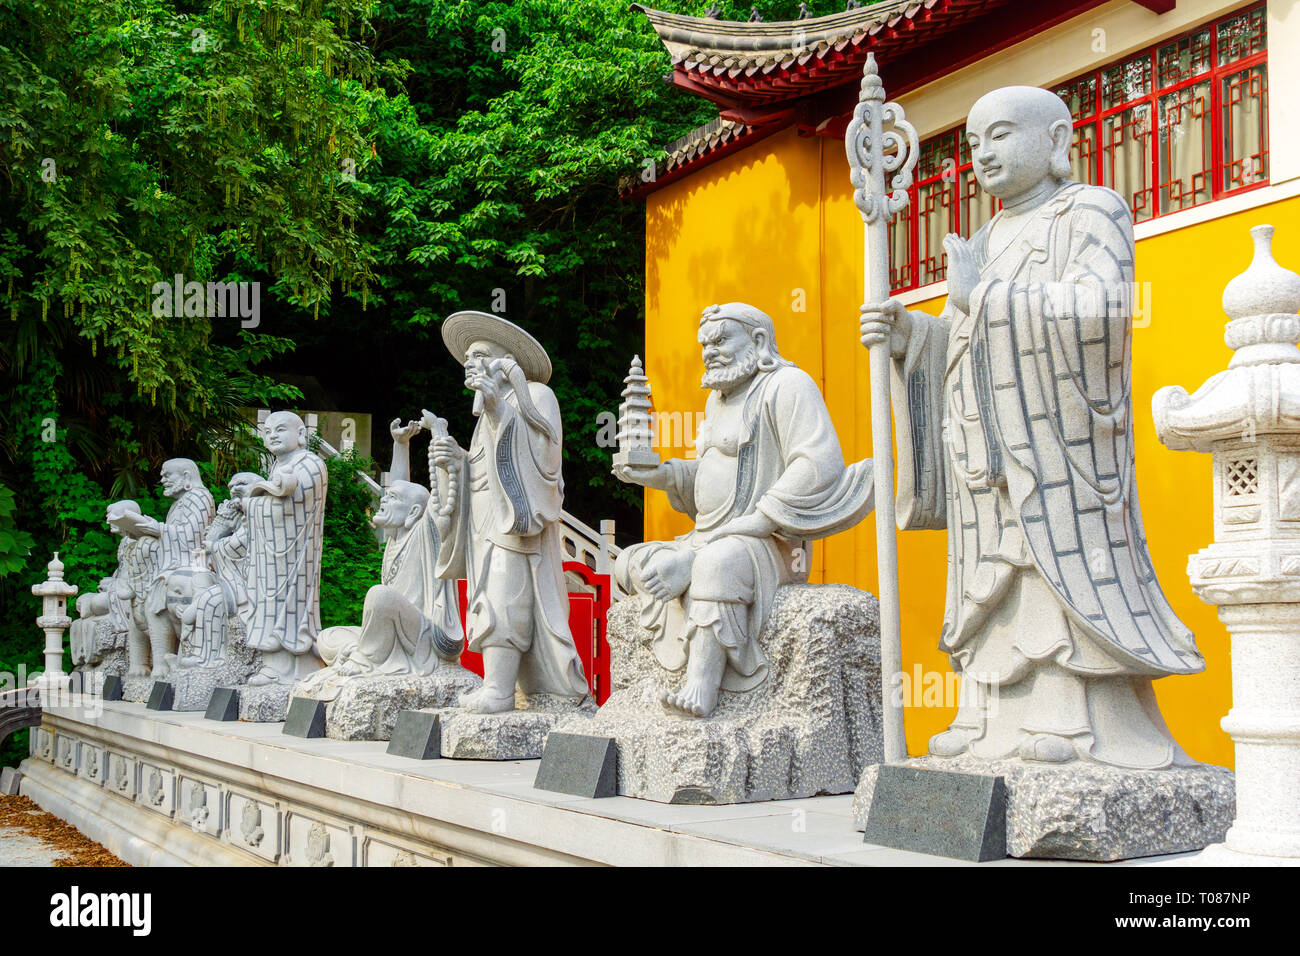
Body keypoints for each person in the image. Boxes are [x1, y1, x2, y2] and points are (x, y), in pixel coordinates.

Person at [859, 86, 1202, 768]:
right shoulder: (984, 239)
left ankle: (1067, 717)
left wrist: (979, 296)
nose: (983, 152)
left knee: (1046, 568)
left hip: (1053, 449)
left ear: (1058, 140)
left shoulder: (1091, 212)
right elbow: (964, 337)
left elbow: (1102, 310)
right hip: (983, 450)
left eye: (1002, 134)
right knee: (987, 577)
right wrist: (912, 340)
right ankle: (985, 719)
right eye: (974, 141)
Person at [614, 302, 874, 717]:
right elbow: (710, 473)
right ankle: (670, 663)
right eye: (704, 344)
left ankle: (701, 686)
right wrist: (661, 476)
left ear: (757, 340)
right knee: (629, 562)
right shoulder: (717, 402)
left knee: (715, 563)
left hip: (766, 542)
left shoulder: (788, 385)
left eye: (719, 341)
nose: (709, 352)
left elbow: (817, 464)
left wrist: (760, 518)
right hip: (709, 534)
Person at [430, 311, 590, 714]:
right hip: (485, 520)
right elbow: (482, 466)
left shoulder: (536, 396)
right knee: (485, 598)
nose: (470, 361)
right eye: (467, 355)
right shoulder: (486, 408)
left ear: (506, 359)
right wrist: (458, 461)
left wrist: (501, 408)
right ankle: (502, 686)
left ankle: (500, 691)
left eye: (479, 352)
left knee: (505, 596)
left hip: (517, 521)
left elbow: (544, 461)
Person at [244, 411, 328, 686]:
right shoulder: (278, 468)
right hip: (271, 555)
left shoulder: (311, 464)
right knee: (268, 604)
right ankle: (273, 667)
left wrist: (255, 500)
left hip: (295, 557)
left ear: (301, 435)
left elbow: (290, 505)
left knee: (289, 609)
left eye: (280, 429)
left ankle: (293, 669)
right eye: (267, 432)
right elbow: (274, 500)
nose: (272, 436)